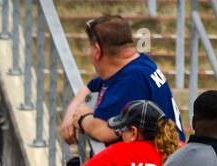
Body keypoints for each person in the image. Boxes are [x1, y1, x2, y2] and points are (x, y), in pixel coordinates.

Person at [60, 14, 183, 147]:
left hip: (161, 162)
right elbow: (90, 87)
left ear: (97, 51)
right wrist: (70, 114)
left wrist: (82, 118)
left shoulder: (132, 80)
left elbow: (103, 131)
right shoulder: (139, 63)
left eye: (89, 47)